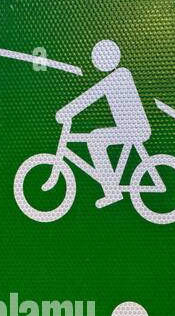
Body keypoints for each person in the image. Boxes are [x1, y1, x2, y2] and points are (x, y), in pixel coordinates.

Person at [54, 39, 152, 208]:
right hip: (128, 129)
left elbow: (90, 96)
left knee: (95, 138)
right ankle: (112, 188)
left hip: (134, 129)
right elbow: (91, 95)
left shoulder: (119, 75)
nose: (97, 61)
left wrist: (67, 112)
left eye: (99, 57)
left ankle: (112, 192)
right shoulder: (118, 75)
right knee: (97, 137)